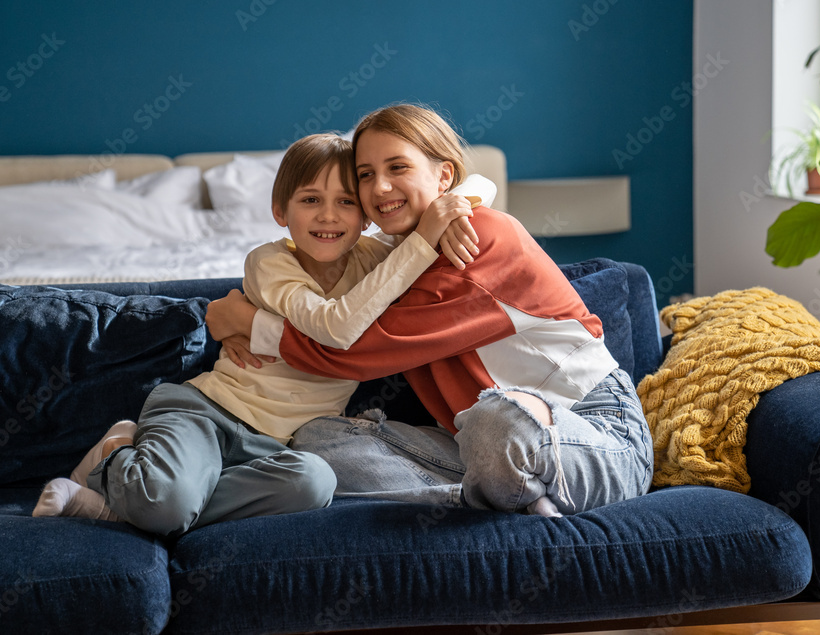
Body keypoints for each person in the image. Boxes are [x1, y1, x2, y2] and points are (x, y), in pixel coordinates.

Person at [32, 132, 493, 536]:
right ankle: (116, 452)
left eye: (346, 202)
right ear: (280, 210)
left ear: (367, 215)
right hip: (208, 412)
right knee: (165, 502)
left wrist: (453, 207)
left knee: (315, 482)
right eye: (310, 199)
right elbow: (334, 327)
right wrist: (424, 237)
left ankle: (141, 502)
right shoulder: (270, 261)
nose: (328, 216)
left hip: (276, 448)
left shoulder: (375, 260)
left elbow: (482, 185)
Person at [209, 104, 654, 518]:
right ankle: (488, 498)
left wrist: (250, 324)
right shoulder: (394, 259)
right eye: (365, 175)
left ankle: (492, 493)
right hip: (471, 448)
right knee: (320, 438)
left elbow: (354, 350)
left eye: (397, 168)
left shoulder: (479, 238)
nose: (379, 188)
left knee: (498, 419)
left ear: (444, 178)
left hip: (591, 432)